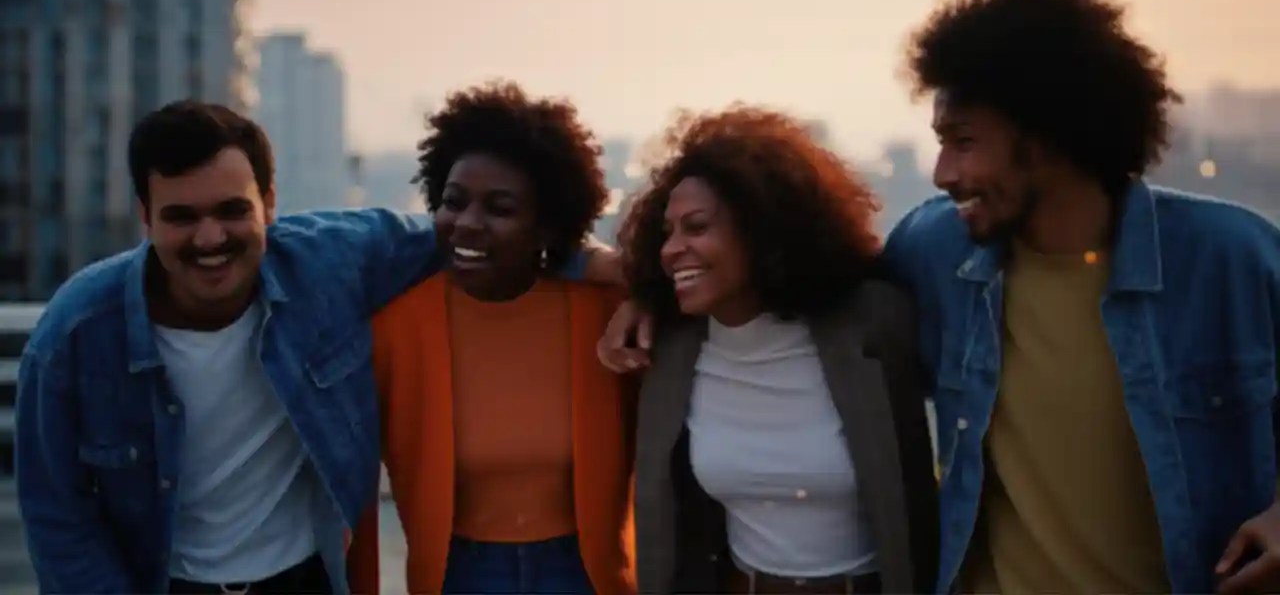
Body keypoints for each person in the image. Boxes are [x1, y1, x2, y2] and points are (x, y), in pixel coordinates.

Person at [16, 100, 618, 594]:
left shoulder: (329, 263)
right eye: (181, 217)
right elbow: (56, 515)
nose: (209, 238)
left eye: (232, 212)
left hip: (305, 579)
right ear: (145, 217)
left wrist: (613, 272)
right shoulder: (76, 331)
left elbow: (474, 239)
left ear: (270, 203)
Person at [887, 0, 1280, 593]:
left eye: (963, 143)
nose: (942, 173)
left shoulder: (1230, 259)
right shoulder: (931, 251)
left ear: (1045, 139)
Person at [617, 107, 937, 594]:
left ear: (762, 229)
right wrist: (637, 298)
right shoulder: (672, 349)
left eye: (697, 227)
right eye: (668, 232)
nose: (672, 248)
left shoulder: (873, 322)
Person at [345, 81, 637, 595]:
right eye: (454, 203)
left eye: (499, 209)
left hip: (588, 575)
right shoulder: (396, 326)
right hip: (460, 576)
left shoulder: (605, 314)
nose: (467, 225)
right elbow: (354, 484)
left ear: (547, 226)